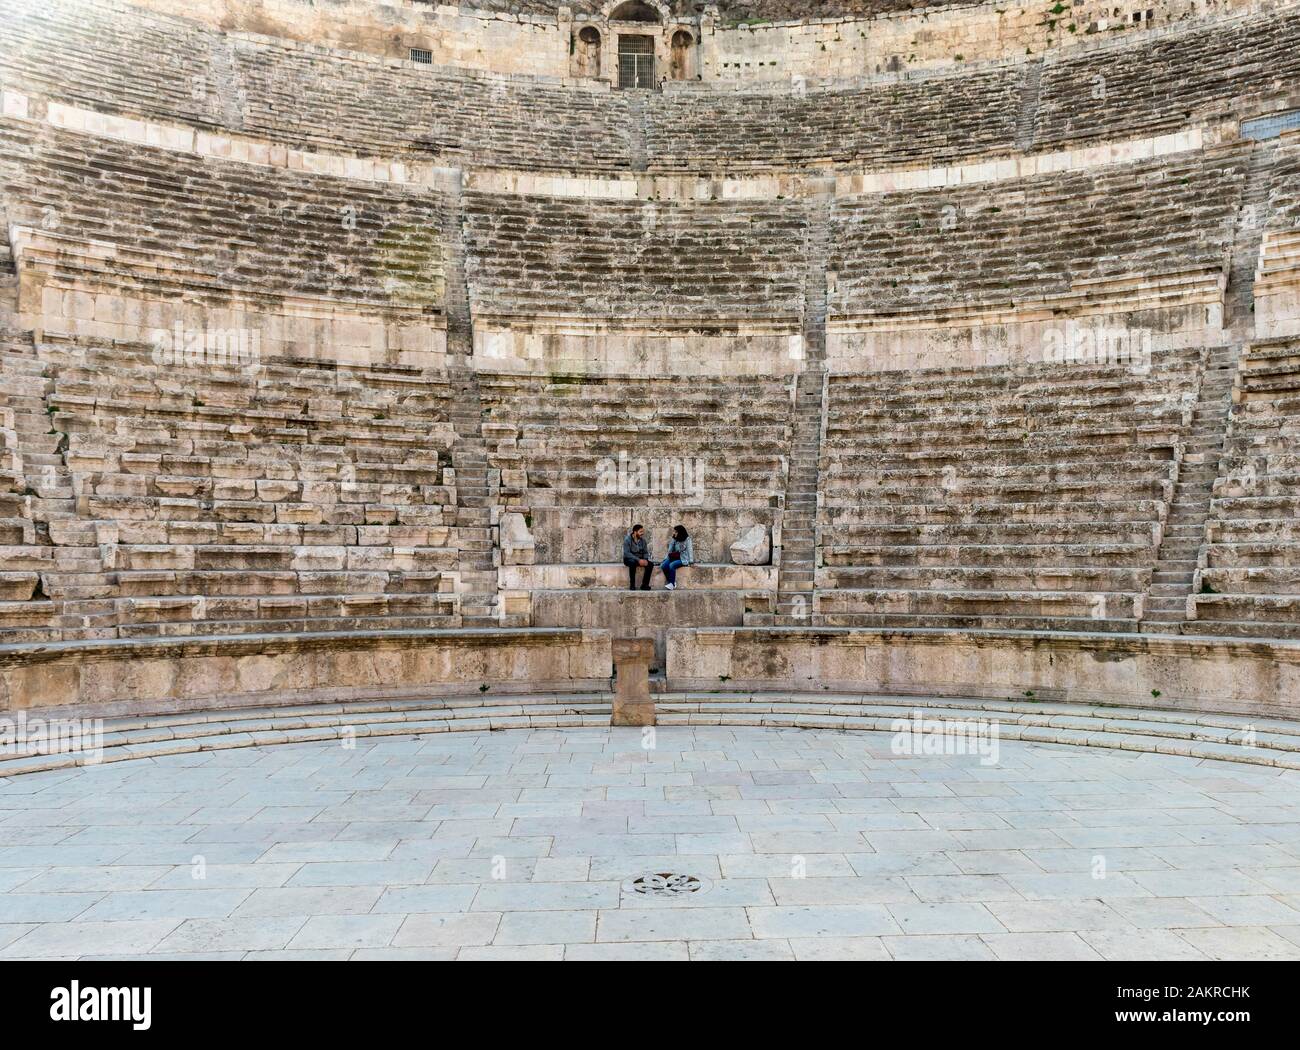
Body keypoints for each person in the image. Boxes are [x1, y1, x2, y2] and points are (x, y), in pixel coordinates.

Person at [660, 524, 693, 590]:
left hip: (683, 558)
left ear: (680, 532)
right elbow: (670, 550)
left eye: (676, 532)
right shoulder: (674, 539)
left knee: (672, 565)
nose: (674, 533)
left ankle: (671, 584)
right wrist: (666, 559)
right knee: (663, 565)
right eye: (674, 531)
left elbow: (690, 549)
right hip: (674, 557)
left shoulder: (687, 539)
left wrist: (691, 561)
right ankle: (672, 582)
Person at [622, 523, 653, 591]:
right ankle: (632, 585)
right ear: (635, 532)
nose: (642, 533)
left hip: (640, 559)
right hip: (629, 559)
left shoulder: (643, 541)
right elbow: (627, 553)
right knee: (632, 563)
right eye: (640, 532)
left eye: (643, 531)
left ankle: (644, 585)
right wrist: (638, 560)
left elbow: (645, 552)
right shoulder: (627, 540)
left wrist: (645, 560)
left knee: (650, 564)